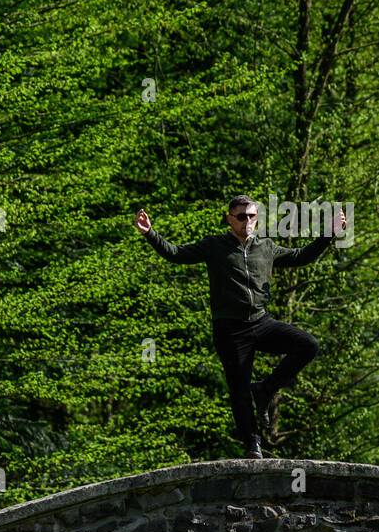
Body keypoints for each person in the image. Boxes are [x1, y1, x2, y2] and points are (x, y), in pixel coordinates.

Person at [134, 194, 345, 458]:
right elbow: (176, 254)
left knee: (308, 345)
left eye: (252, 216)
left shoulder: (266, 247)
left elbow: (301, 256)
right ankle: (252, 443)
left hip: (260, 322)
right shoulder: (214, 246)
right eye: (241, 216)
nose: (247, 221)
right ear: (229, 219)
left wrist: (329, 234)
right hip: (230, 330)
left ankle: (265, 389)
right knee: (239, 388)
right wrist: (150, 233)